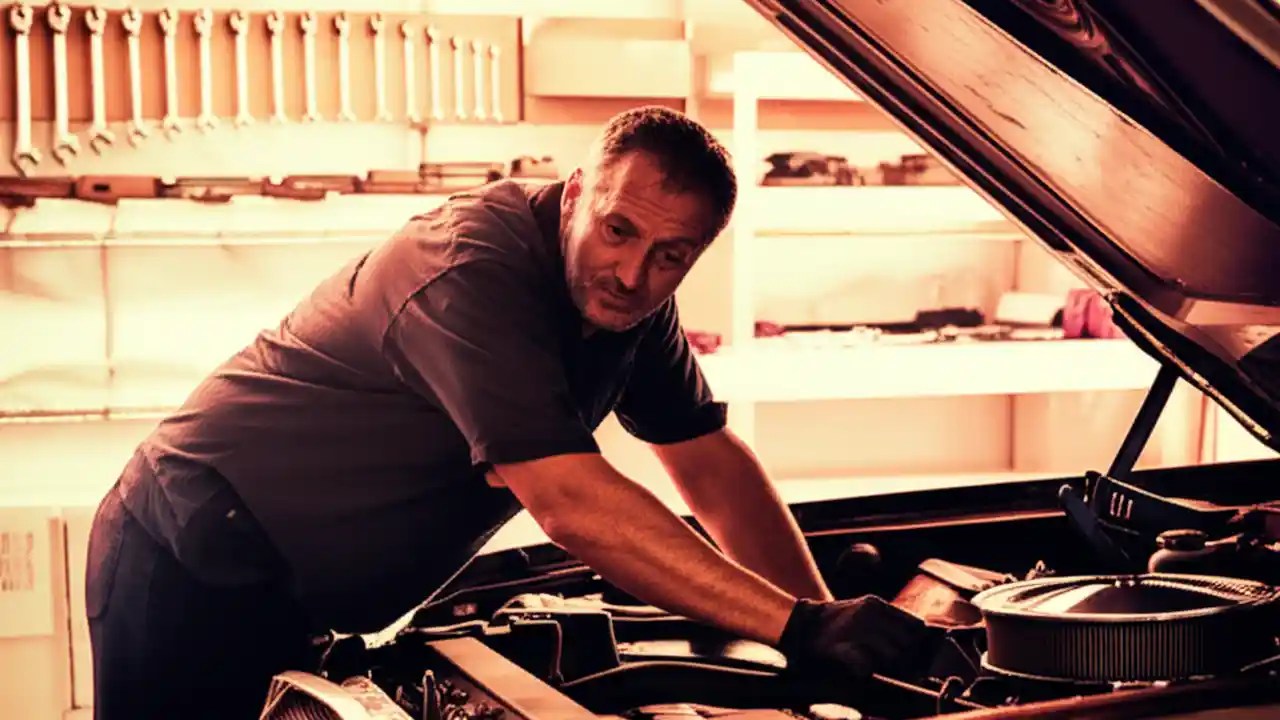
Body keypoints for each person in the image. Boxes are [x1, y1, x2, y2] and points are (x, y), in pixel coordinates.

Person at [83, 106, 933, 719]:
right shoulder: (467, 271)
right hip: (186, 552)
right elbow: (567, 502)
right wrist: (798, 624)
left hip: (292, 590)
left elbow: (710, 465)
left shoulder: (634, 311)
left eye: (669, 255)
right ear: (573, 199)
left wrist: (828, 630)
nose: (633, 274)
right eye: (617, 231)